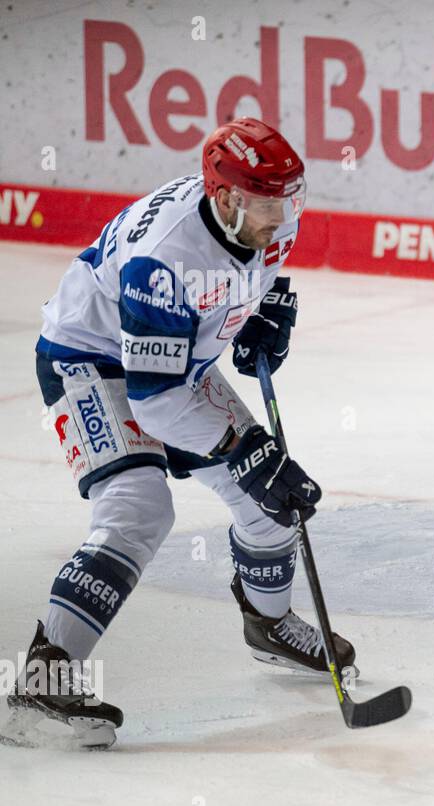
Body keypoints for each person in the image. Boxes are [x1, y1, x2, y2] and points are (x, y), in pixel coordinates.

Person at [3, 117, 352, 749]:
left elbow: (249, 271)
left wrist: (258, 312)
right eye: (270, 204)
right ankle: (40, 683)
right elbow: (156, 402)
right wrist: (241, 450)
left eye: (290, 199)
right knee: (138, 508)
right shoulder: (162, 260)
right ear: (225, 198)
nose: (285, 216)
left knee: (271, 503)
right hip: (93, 358)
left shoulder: (258, 214)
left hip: (173, 361)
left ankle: (267, 626)